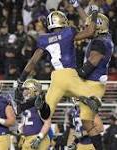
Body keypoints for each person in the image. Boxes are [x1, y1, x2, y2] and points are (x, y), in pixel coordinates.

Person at [17, 9, 113, 150]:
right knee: (86, 93)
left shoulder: (43, 39)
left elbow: (32, 62)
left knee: (47, 111)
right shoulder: (69, 32)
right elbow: (90, 31)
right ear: (62, 20)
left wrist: (21, 80)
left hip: (56, 77)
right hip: (70, 74)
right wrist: (93, 13)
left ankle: (41, 103)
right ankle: (89, 98)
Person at [67, 1, 114, 149]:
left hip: (91, 81)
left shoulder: (99, 42)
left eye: (92, 26)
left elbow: (91, 64)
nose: (87, 28)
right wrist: (77, 6)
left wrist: (78, 74)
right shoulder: (103, 38)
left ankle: (92, 99)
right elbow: (90, 24)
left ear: (98, 27)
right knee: (86, 121)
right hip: (95, 80)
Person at [19, 79, 51, 150]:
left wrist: (39, 138)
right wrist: (21, 133)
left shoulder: (40, 104)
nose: (24, 92)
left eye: (26, 89)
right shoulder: (26, 104)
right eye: (24, 90)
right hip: (27, 139)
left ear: (33, 90)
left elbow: (47, 123)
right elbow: (25, 122)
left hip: (37, 138)